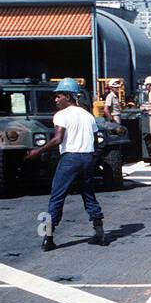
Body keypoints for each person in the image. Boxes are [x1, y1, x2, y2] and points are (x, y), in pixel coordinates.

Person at [27, 78, 106, 251]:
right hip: (87, 158)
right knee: (88, 194)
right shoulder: (87, 115)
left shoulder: (61, 115)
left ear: (68, 97)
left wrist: (37, 152)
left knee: (57, 196)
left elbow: (58, 139)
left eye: (59, 96)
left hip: (70, 159)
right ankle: (99, 232)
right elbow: (96, 140)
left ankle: (48, 238)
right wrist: (92, 157)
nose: (55, 99)